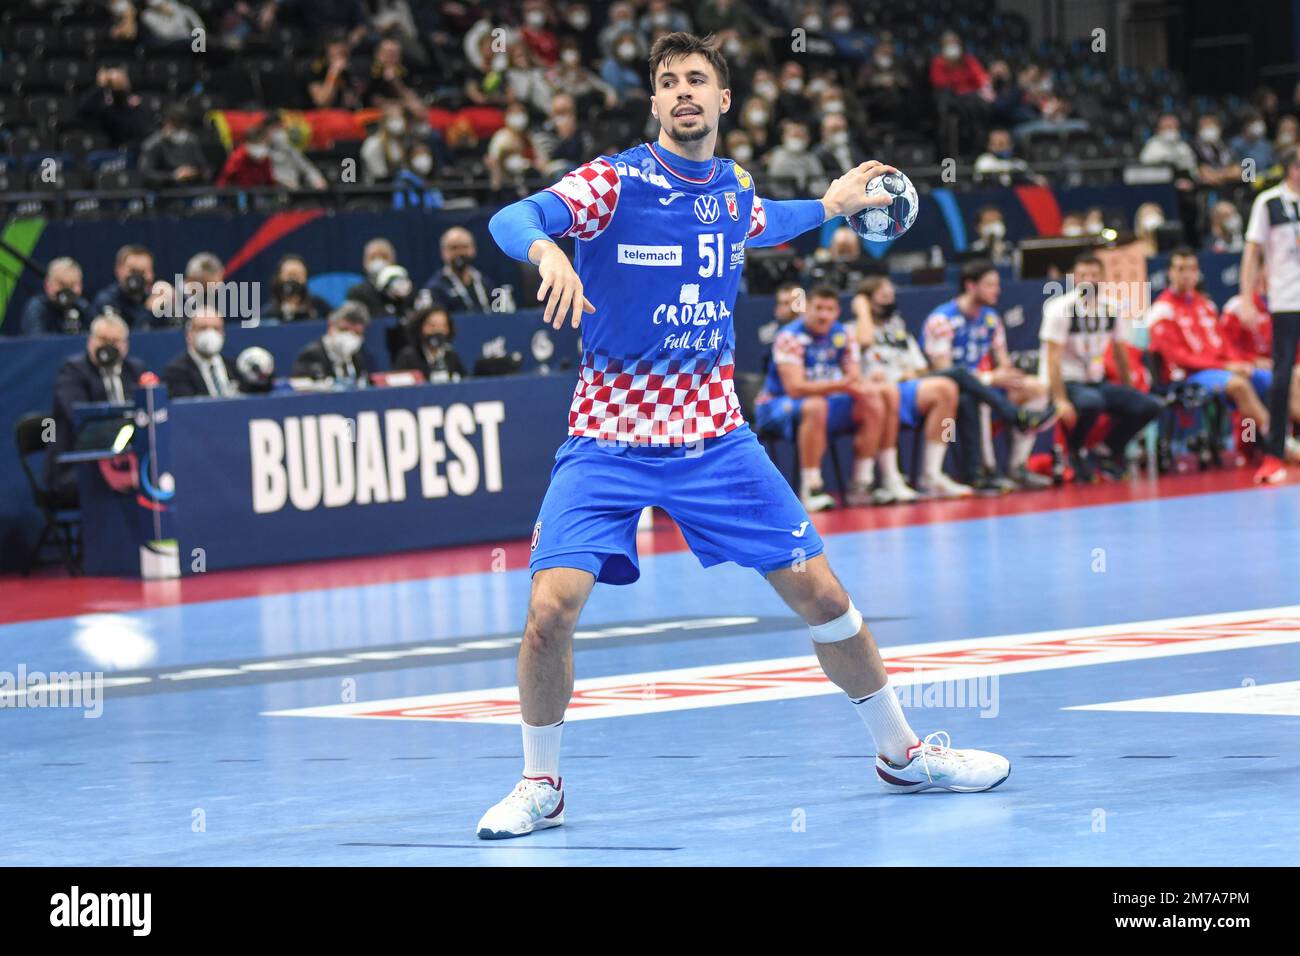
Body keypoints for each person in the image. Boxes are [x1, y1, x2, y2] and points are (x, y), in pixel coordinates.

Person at [477, 32, 1009, 840]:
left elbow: (762, 221)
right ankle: (540, 782)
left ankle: (902, 753)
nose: (683, 91)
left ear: (723, 101)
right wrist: (547, 251)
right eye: (667, 82)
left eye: (697, 79)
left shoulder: (730, 190)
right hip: (608, 439)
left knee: (826, 598)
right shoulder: (614, 183)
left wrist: (832, 206)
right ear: (653, 102)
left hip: (714, 441)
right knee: (552, 611)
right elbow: (513, 215)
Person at [754, 286, 915, 510]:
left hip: (824, 401)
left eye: (829, 309)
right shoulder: (789, 336)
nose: (823, 315)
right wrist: (842, 385)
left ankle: (862, 483)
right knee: (815, 405)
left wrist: (864, 385)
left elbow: (854, 377)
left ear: (838, 311)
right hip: (777, 405)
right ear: (806, 309)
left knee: (873, 398)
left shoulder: (842, 334)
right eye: (818, 308)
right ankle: (812, 487)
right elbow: (795, 388)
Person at [923, 260, 1057, 491]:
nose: (997, 290)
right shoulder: (942, 320)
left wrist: (1011, 377)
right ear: (970, 286)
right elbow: (943, 370)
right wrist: (988, 379)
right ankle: (988, 468)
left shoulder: (991, 318)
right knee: (976, 398)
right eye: (990, 285)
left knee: (1036, 388)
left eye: (996, 284)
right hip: (956, 389)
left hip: (988, 383)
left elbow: (1003, 363)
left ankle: (1018, 466)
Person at [1039, 254, 1161, 481]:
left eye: (1095, 275)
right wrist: (1060, 399)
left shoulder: (1111, 307)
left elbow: (1120, 352)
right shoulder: (1060, 308)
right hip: (1068, 382)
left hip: (1097, 382)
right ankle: (1076, 451)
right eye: (1084, 275)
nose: (1090, 280)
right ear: (1074, 278)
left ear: (1103, 278)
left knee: (1148, 406)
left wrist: (1129, 387)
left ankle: (1106, 450)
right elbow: (1052, 358)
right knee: (1091, 402)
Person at [853, 277, 973, 499]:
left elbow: (921, 368)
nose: (889, 302)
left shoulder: (898, 331)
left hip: (906, 389)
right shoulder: (853, 329)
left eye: (891, 297)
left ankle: (932, 475)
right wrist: (861, 310)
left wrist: (909, 374)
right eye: (883, 297)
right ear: (866, 301)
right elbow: (865, 342)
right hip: (875, 396)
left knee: (946, 388)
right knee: (890, 392)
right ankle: (887, 478)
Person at [1148, 248, 1270, 460]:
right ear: (1170, 273)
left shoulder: (1206, 305)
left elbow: (1225, 346)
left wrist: (1244, 363)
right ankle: (1279, 443)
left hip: (1219, 371)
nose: (1187, 274)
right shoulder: (1161, 310)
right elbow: (1178, 358)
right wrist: (1225, 367)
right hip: (1188, 377)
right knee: (1239, 385)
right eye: (1180, 269)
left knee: (1271, 380)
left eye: (1192, 269)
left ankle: (1250, 442)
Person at [1241, 146, 1300, 483]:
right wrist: (1246, 298)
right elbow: (1252, 251)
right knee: (1281, 378)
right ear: (1290, 169)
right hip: (1288, 300)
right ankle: (1273, 455)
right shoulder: (1269, 202)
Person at [49, 314, 146, 503]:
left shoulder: (135, 370)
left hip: (130, 458)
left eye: (115, 341)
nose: (108, 346)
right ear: (90, 341)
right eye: (103, 339)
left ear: (125, 345)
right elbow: (81, 418)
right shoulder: (72, 371)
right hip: (80, 463)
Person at [1222, 264, 1300, 460]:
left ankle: (1285, 440)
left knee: (1295, 375)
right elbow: (1225, 349)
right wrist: (1252, 361)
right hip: (1252, 373)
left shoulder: (1286, 305)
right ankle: (1278, 444)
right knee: (1248, 443)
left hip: (1281, 371)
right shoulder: (1237, 307)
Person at [161, 309, 239, 398]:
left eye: (216, 328)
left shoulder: (235, 367)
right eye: (203, 328)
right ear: (189, 334)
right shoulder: (176, 372)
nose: (210, 334)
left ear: (223, 333)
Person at [291, 302, 373, 386]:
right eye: (344, 330)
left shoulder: (359, 357)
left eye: (356, 333)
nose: (349, 336)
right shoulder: (310, 356)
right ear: (331, 326)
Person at [91, 245, 168, 330]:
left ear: (152, 274)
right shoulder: (106, 301)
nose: (137, 277)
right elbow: (122, 339)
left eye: (143, 272)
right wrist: (148, 311)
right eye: (133, 271)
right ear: (118, 270)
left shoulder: (157, 299)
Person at [423, 227, 497, 313]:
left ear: (473, 249)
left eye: (464, 247)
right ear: (443, 252)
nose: (460, 253)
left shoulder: (485, 283)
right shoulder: (435, 288)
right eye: (454, 248)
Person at [139, 106, 212, 188]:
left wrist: (194, 172)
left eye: (184, 124)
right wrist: (173, 176)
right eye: (178, 124)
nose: (184, 129)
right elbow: (146, 174)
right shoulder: (152, 144)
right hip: (166, 191)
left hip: (191, 188)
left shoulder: (191, 140)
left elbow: (206, 171)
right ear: (167, 123)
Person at [393, 305, 468, 383]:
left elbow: (465, 381)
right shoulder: (408, 357)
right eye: (432, 326)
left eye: (443, 326)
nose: (437, 330)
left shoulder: (451, 355)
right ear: (420, 327)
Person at [20, 258, 91, 336]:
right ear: (47, 284)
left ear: (80, 286)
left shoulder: (83, 307)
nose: (66, 292)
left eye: (72, 286)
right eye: (61, 284)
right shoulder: (37, 308)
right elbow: (37, 342)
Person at [262, 255, 331, 323]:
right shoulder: (268, 313)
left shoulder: (318, 306)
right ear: (279, 278)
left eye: (299, 275)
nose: (294, 280)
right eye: (290, 275)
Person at [216, 122, 276, 187]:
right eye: (256, 142)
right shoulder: (238, 156)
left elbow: (269, 179)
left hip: (258, 192)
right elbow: (225, 179)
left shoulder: (265, 157)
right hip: (239, 192)